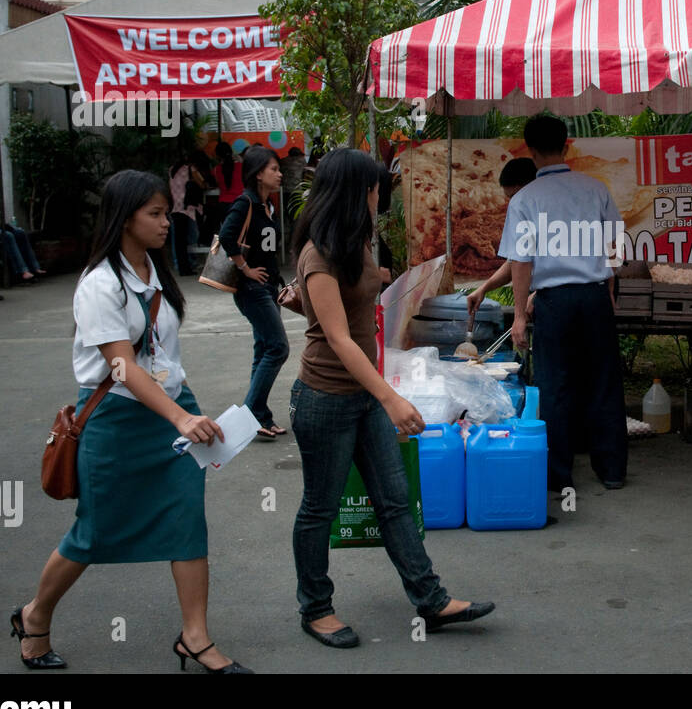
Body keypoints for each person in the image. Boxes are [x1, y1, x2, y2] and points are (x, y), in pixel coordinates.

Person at [12, 170, 251, 673]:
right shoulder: (99, 284)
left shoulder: (153, 272)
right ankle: (35, 616)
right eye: (156, 214)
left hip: (168, 416)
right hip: (118, 421)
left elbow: (162, 353)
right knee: (94, 533)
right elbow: (120, 365)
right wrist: (181, 416)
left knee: (187, 521)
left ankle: (195, 637)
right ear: (125, 219)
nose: (168, 223)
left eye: (167, 213)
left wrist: (185, 410)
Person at [289, 148, 494, 647]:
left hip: (361, 395)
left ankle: (432, 600)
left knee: (395, 501)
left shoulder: (354, 243)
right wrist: (390, 398)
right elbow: (337, 339)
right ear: (356, 190)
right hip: (325, 399)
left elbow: (348, 313)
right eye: (376, 188)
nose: (381, 195)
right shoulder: (318, 253)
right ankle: (315, 609)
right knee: (321, 507)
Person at [498, 116, 629, 490]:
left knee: (556, 386)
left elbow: (521, 263)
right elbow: (615, 247)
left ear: (530, 151)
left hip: (554, 301)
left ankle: (558, 477)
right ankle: (613, 471)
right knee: (604, 382)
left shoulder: (524, 200)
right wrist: (606, 285)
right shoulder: (595, 188)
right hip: (593, 296)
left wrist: (520, 315)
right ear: (567, 145)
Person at [219, 145, 289, 439]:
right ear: (259, 174)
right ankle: (249, 416)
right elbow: (226, 236)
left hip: (269, 287)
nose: (279, 174)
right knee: (277, 347)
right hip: (251, 289)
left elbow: (269, 249)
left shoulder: (267, 205)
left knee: (263, 350)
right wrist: (245, 268)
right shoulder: (245, 202)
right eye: (273, 169)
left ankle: (259, 416)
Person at [466, 157, 538, 319]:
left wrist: (542, 293)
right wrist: (484, 288)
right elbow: (515, 261)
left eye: (514, 196)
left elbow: (573, 262)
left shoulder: (556, 213)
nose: (513, 203)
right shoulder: (527, 215)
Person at [168, 155, 207, 276]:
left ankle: (181, 267)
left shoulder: (171, 169)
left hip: (175, 208)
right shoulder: (191, 169)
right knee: (191, 238)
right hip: (187, 209)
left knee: (178, 241)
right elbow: (202, 184)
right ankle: (189, 265)